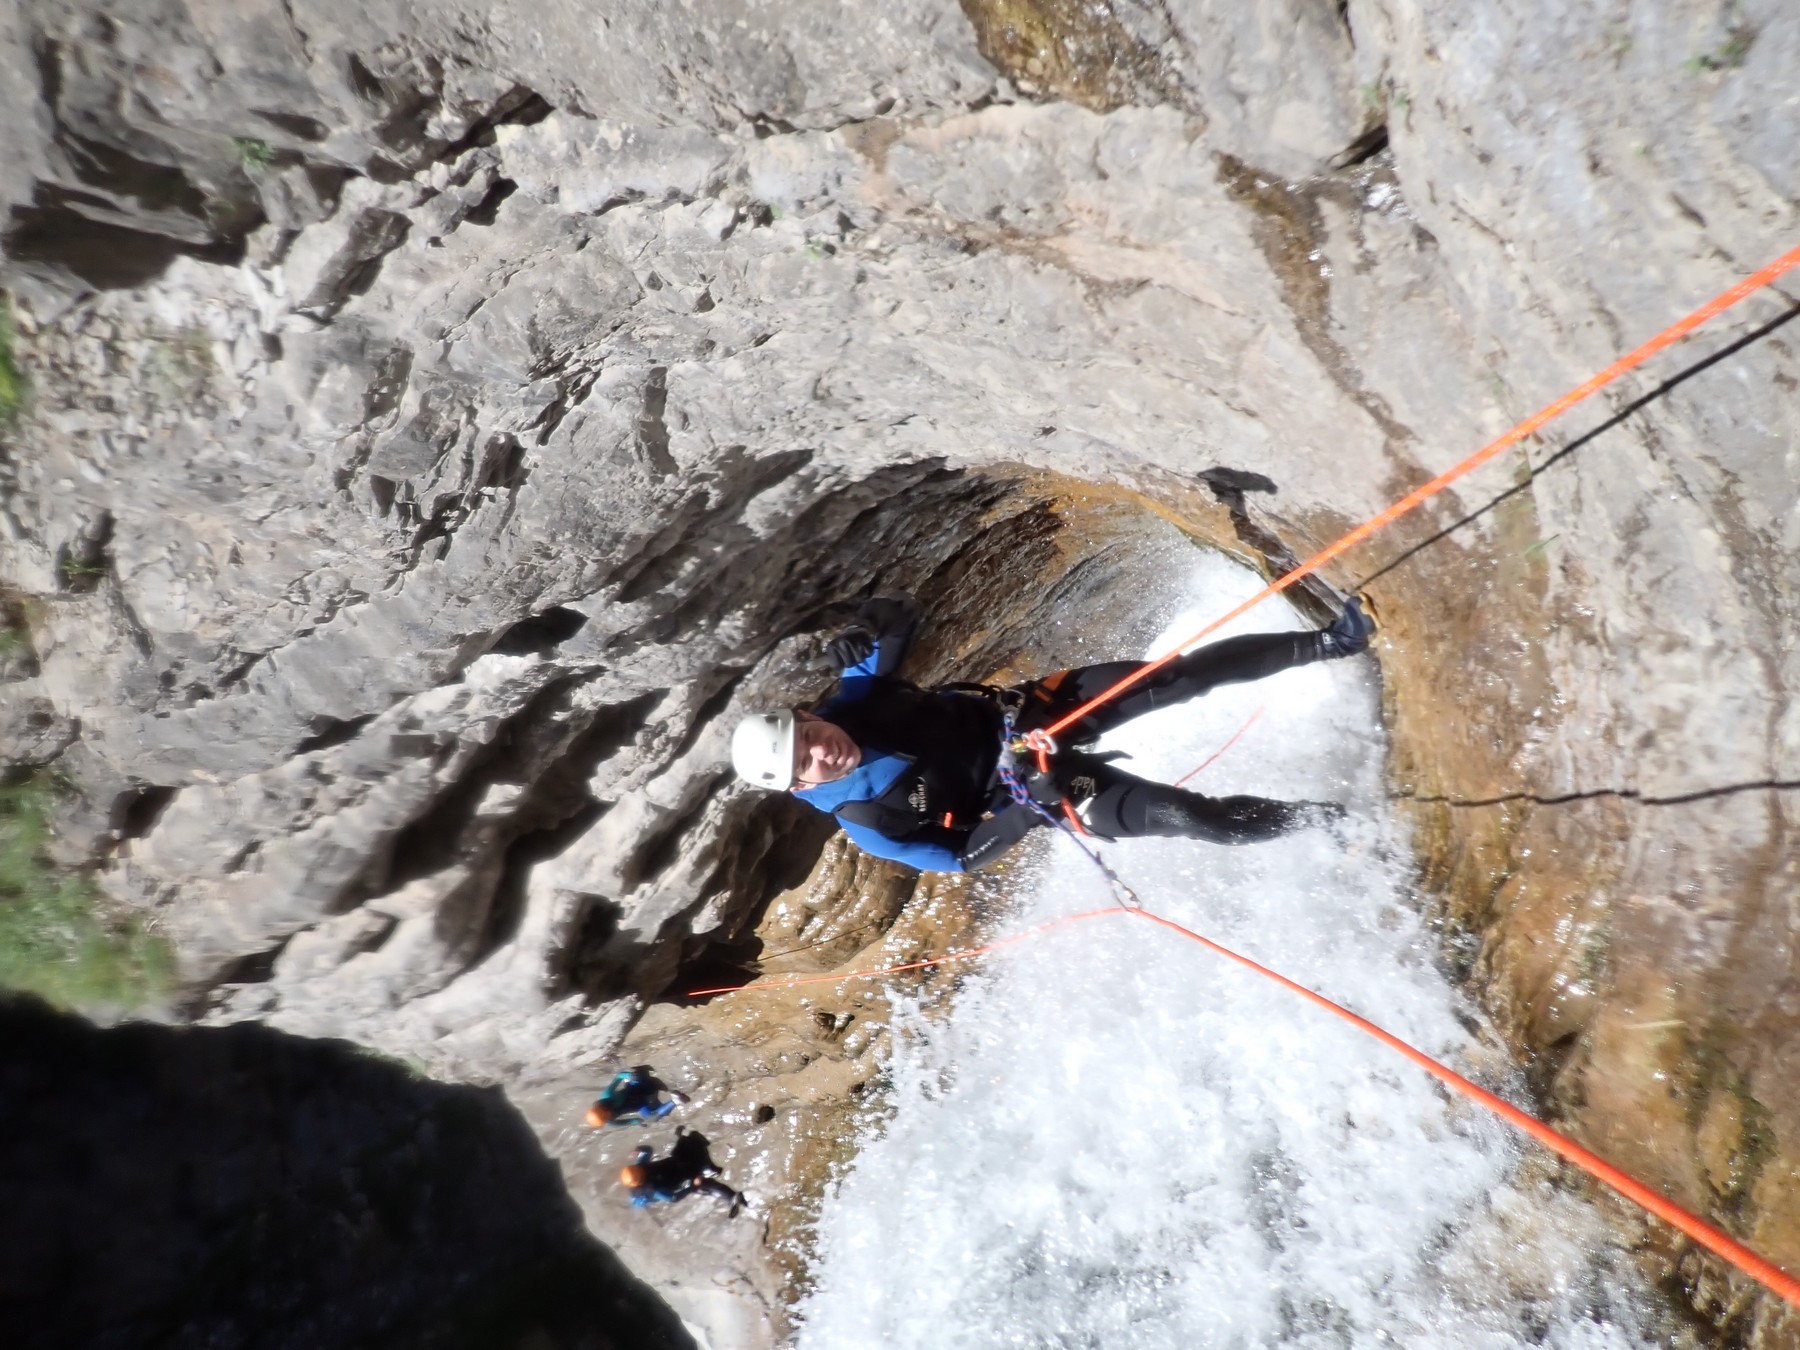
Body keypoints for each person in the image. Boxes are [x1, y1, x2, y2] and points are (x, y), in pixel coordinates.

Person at [729, 592, 1375, 873]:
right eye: (805, 763)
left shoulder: (858, 695)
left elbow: (900, 614)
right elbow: (960, 858)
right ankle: (1337, 823)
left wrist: (866, 626)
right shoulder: (868, 822)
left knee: (1176, 678)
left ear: (808, 715)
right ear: (797, 787)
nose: (821, 751)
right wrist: (1031, 801)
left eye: (807, 735)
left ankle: (1332, 640)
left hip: (1030, 715)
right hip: (1041, 786)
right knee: (1189, 816)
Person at [619, 1129, 744, 1215]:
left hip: (676, 1161)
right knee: (702, 1184)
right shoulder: (652, 1189)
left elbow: (647, 1151)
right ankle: (733, 1197)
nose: (640, 1167)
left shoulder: (640, 1167)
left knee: (688, 1141)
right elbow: (673, 1197)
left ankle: (711, 1167)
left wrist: (639, 1149)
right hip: (684, 1176)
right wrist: (691, 1186)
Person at [584, 1066, 689, 1128]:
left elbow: (619, 1076)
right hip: (644, 1103)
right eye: (606, 1119)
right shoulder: (610, 1122)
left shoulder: (608, 1095)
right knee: (652, 1117)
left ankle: (645, 1073)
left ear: (602, 1110)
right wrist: (638, 1122)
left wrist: (629, 1076)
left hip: (637, 1087)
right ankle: (675, 1101)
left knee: (638, 1076)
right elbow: (629, 1122)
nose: (608, 1116)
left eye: (605, 1115)